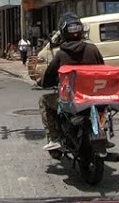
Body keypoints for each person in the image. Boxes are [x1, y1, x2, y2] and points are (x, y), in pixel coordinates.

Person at [35, 13, 104, 152]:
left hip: (70, 100)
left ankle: (54, 138)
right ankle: (102, 135)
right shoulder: (93, 49)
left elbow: (49, 76)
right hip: (92, 97)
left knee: (44, 100)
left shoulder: (61, 54)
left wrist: (41, 82)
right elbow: (102, 69)